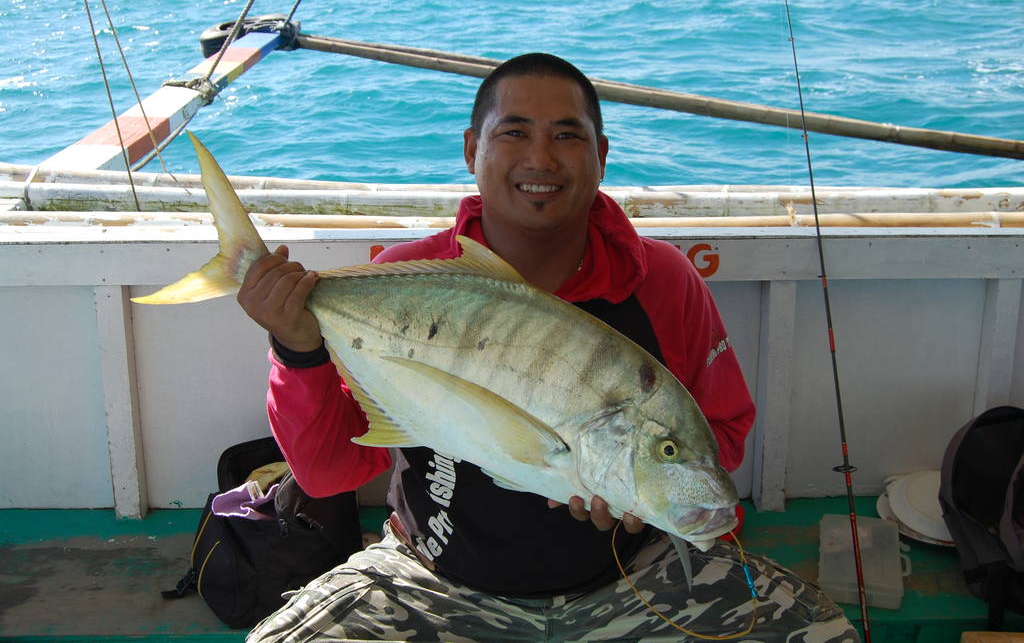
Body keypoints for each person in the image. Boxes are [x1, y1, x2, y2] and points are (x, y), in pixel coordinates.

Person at [240, 53, 858, 642]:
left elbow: (716, 435)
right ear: (470, 150)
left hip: (634, 575)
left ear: (602, 155)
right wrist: (298, 349)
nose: (541, 158)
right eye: (513, 133)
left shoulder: (663, 280)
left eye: (568, 136)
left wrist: (635, 496)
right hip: (432, 579)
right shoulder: (411, 277)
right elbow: (327, 472)